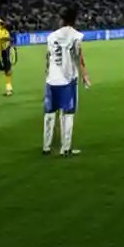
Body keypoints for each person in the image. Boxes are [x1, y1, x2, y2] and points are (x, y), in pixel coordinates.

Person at [43, 8, 89, 157]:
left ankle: (46, 147)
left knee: (49, 113)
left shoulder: (51, 36)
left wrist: (48, 71)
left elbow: (48, 56)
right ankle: (66, 148)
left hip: (51, 79)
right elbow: (78, 57)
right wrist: (84, 76)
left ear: (62, 19)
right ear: (74, 20)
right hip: (68, 80)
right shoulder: (76, 35)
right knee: (67, 114)